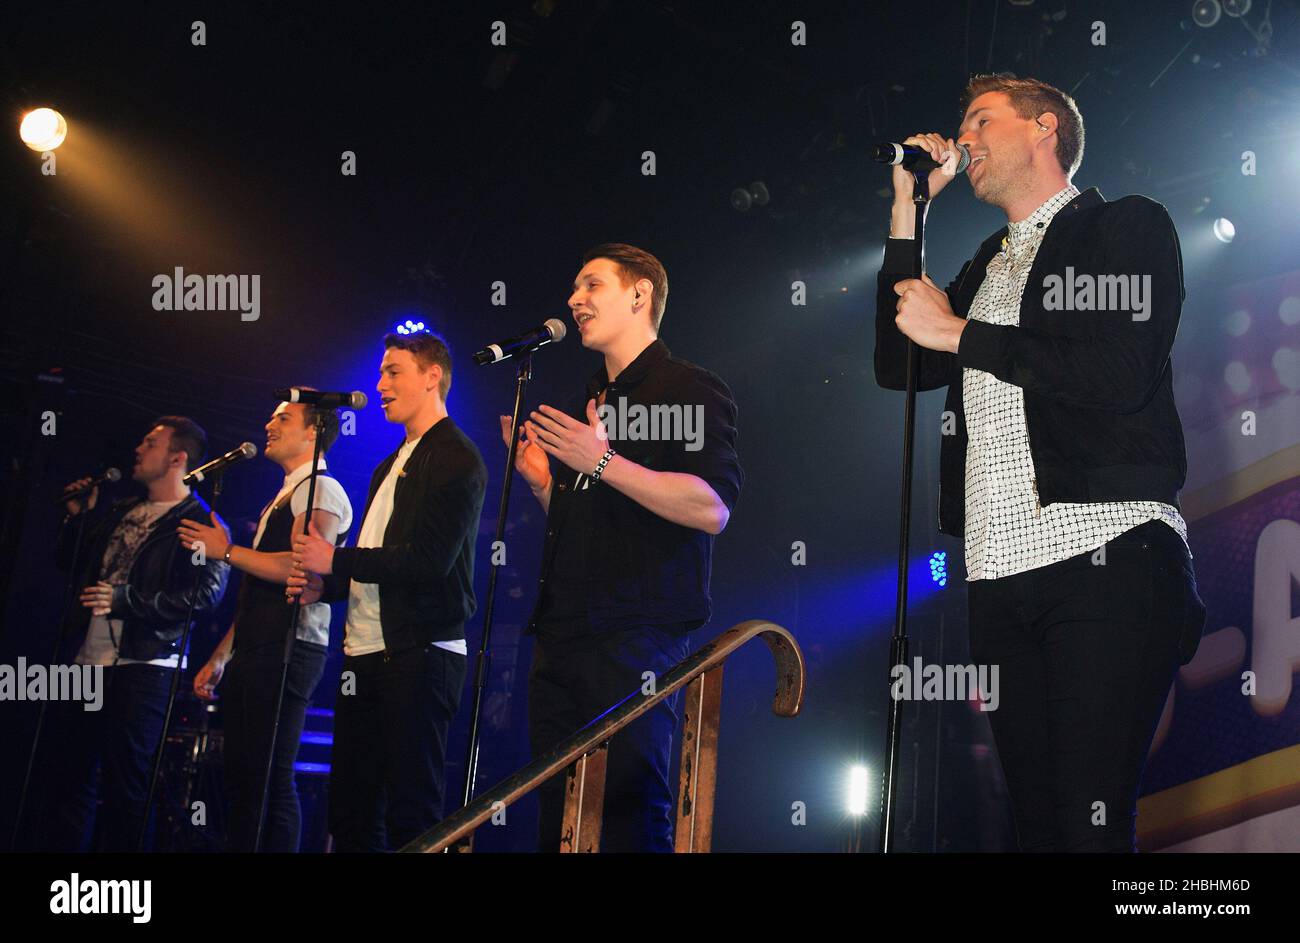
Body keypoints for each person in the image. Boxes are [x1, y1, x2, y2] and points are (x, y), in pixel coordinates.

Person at [875, 73, 1207, 852]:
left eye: (982, 120)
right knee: (1039, 829)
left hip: (1108, 548)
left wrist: (961, 334)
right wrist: (907, 209)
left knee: (1090, 820)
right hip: (998, 574)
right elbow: (901, 362)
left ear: (1045, 128)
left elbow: (1117, 372)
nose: (965, 140)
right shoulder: (987, 262)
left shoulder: (1123, 227)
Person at [504, 243, 743, 852]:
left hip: (634, 636)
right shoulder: (595, 394)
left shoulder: (685, 385)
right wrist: (543, 484)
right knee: (561, 817)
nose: (573, 300)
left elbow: (711, 507)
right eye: (574, 290)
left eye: (590, 286)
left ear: (640, 295)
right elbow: (603, 520)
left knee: (628, 818)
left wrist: (602, 459)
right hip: (562, 636)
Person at [290, 333, 486, 852]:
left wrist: (335, 560)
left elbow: (428, 561)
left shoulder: (456, 458)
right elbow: (375, 555)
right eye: (381, 373)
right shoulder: (390, 462)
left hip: (419, 653)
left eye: (393, 372)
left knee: (412, 814)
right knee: (352, 812)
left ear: (432, 376)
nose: (379, 385)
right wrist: (325, 585)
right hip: (366, 653)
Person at [45, 416, 230, 851]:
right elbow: (68, 566)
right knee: (69, 779)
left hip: (145, 663)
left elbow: (205, 597)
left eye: (151, 443)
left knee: (127, 786)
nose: (138, 449)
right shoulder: (118, 510)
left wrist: (128, 601)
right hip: (87, 661)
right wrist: (78, 520)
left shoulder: (200, 519)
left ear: (177, 458)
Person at [181, 395, 353, 852]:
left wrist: (228, 552)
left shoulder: (321, 489)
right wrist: (222, 655)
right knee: (243, 777)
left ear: (314, 431)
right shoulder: (287, 492)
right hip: (257, 644)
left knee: (268, 777)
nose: (269, 424)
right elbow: (260, 588)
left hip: (289, 644)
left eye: (283, 418)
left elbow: (305, 568)